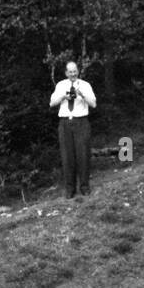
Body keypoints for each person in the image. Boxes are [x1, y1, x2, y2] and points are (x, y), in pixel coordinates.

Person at [48, 61, 97, 199]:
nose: (73, 74)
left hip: (81, 122)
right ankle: (70, 189)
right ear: (66, 73)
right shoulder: (60, 85)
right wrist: (64, 96)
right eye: (70, 71)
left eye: (75, 71)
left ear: (78, 71)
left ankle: (85, 187)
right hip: (65, 123)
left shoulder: (85, 85)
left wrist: (82, 94)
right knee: (67, 156)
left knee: (83, 155)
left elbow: (93, 103)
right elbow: (52, 103)